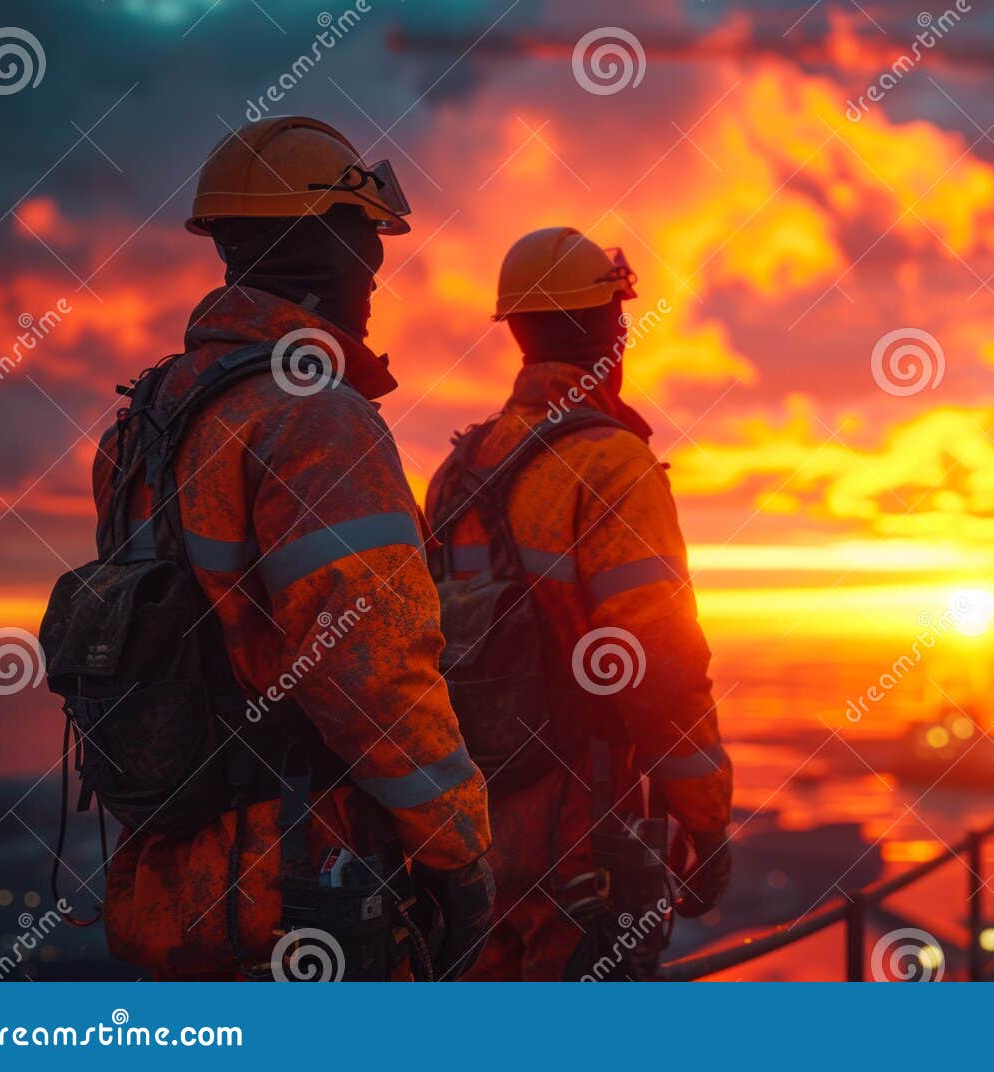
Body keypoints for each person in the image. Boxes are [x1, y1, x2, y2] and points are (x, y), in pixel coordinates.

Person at [57, 117, 493, 979]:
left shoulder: (144, 422)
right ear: (326, 247)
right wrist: (459, 848)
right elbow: (373, 672)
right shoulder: (317, 420)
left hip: (171, 890)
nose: (375, 270)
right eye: (366, 238)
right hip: (297, 888)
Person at [424, 227, 732, 980]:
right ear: (614, 330)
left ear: (519, 333)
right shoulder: (612, 468)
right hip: (581, 852)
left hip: (469, 857)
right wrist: (706, 818)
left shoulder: (456, 474)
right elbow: (659, 672)